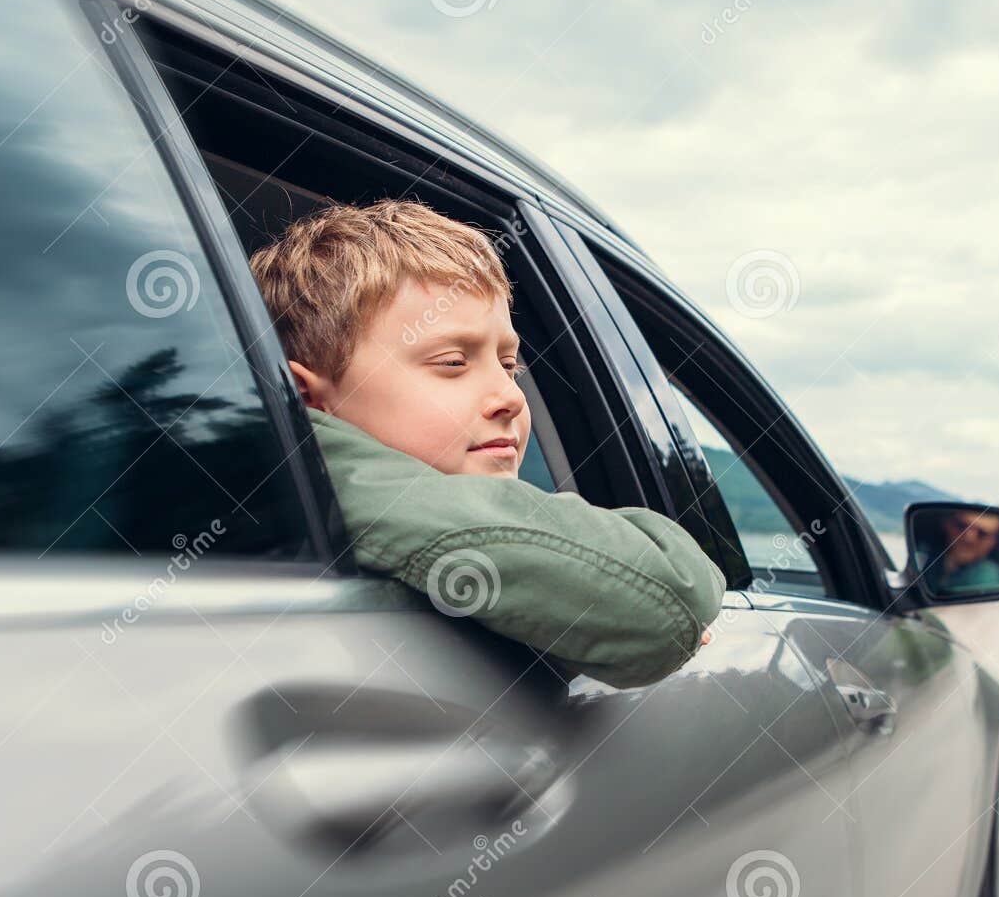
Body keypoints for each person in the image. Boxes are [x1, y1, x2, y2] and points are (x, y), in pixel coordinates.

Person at [248, 200, 724, 689]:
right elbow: (668, 600)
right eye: (453, 362)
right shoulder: (304, 485)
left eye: (509, 365)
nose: (510, 396)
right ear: (305, 398)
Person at [915, 508, 999, 593]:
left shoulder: (988, 575)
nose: (968, 538)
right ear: (946, 524)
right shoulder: (922, 553)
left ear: (993, 542)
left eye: (982, 533)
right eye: (961, 526)